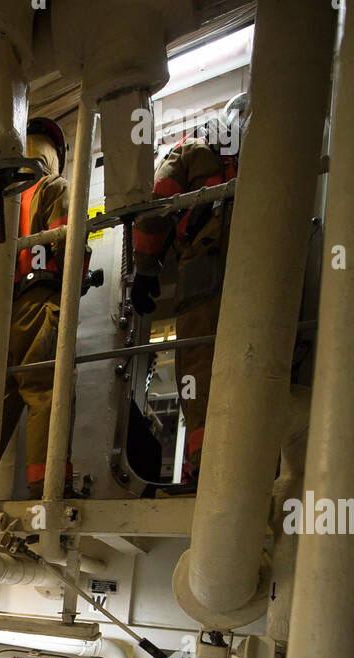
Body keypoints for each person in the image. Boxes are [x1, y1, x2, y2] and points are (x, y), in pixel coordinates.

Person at [131, 93, 249, 491]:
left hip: (204, 268)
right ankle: (250, 464)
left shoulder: (191, 149)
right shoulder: (275, 154)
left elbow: (156, 206)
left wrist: (144, 272)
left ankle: (206, 468)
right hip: (260, 270)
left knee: (197, 368)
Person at [2, 116, 94, 499]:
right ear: (55, 153)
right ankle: (47, 484)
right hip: (42, 307)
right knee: (46, 392)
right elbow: (70, 251)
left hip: (2, 317)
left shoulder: (0, 201)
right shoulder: (53, 187)